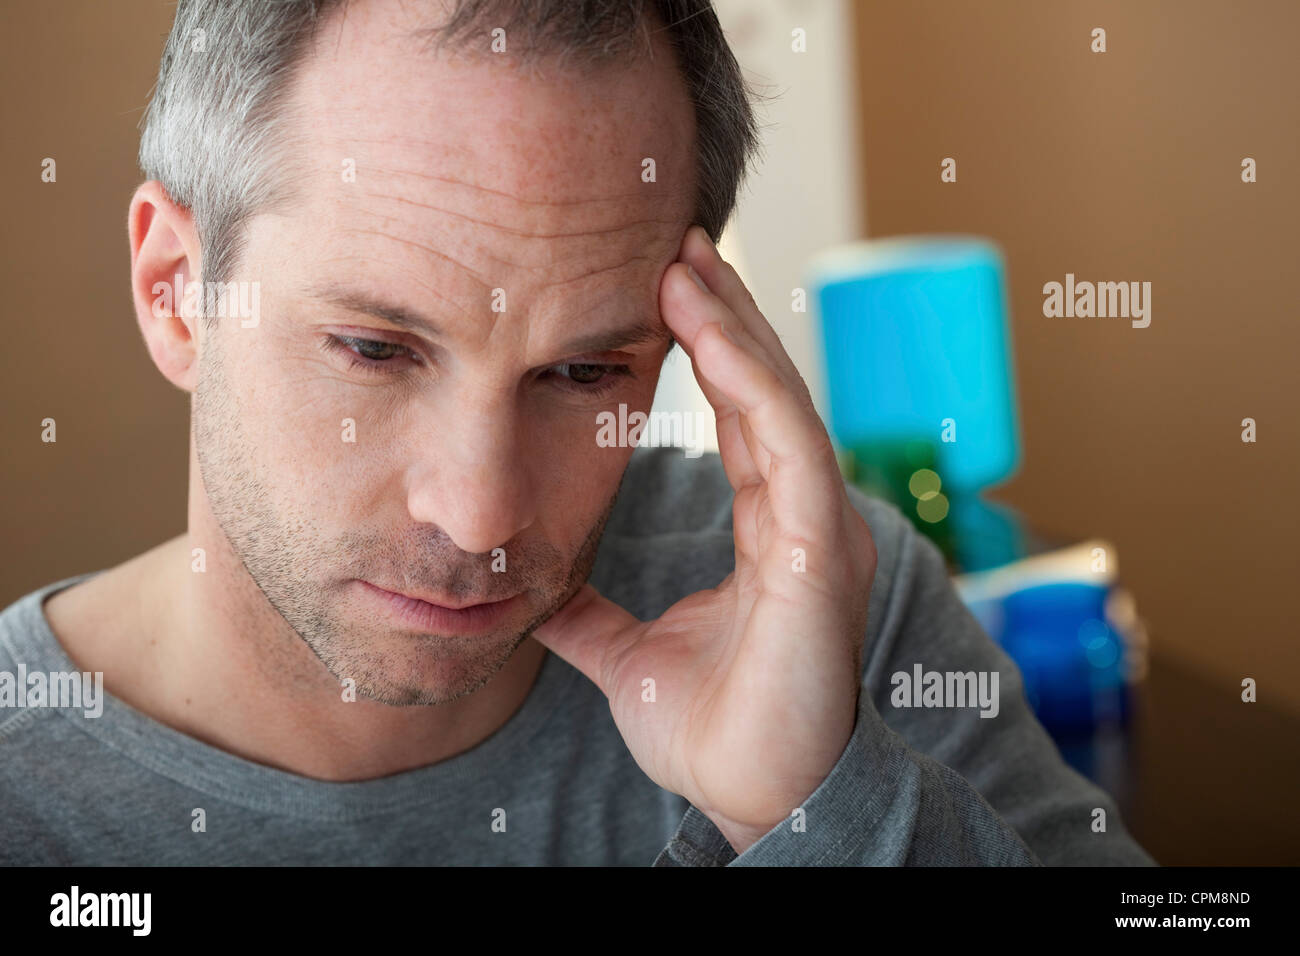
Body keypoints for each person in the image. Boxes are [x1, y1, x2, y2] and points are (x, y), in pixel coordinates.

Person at [0, 0, 1153, 866]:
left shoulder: (817, 602)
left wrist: (818, 801)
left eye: (583, 370)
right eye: (375, 349)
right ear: (173, 289)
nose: (480, 511)